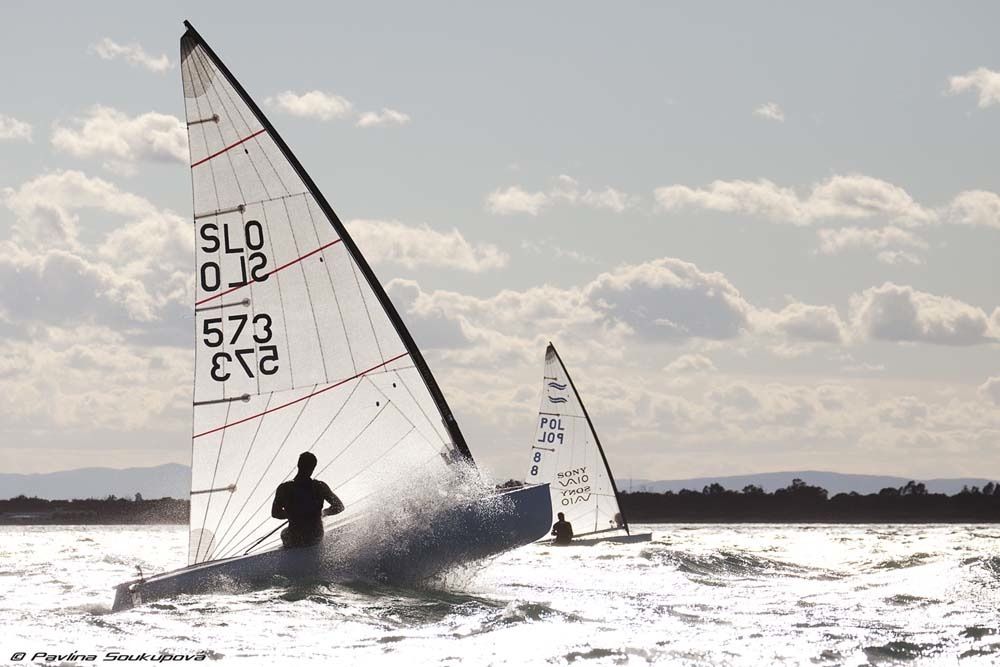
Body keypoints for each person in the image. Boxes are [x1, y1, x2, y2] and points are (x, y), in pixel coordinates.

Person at [271, 452, 344, 548]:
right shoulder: (320, 486)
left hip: (295, 538)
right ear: (313, 468)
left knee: (284, 533)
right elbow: (339, 506)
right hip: (315, 537)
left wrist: (291, 515)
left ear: (298, 465)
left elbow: (275, 513)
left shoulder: (284, 488)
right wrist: (323, 513)